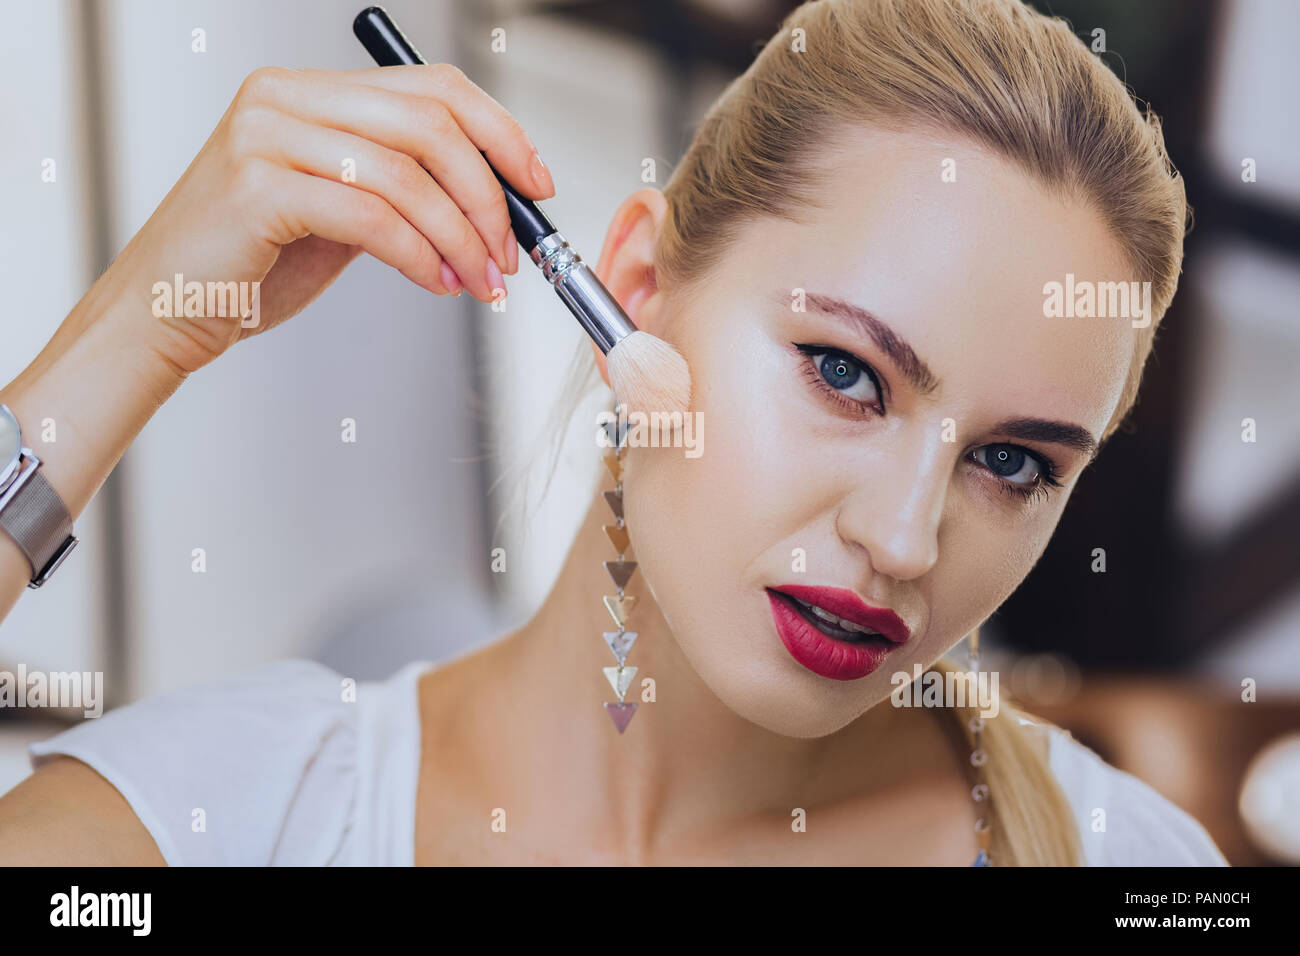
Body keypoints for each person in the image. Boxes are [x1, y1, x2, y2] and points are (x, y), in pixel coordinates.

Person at [0, 0, 1227, 865]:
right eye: (844, 372)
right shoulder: (217, 816)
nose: (902, 537)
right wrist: (125, 335)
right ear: (635, 284)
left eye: (1012, 461)